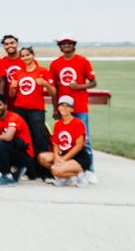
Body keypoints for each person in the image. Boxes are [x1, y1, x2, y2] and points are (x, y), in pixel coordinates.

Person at [49, 34, 98, 183]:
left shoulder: (83, 61)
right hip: (64, 108)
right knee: (64, 139)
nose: (66, 46)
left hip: (80, 106)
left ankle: (90, 170)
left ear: (74, 45)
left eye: (69, 43)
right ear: (60, 46)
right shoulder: (55, 64)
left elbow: (94, 82)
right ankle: (70, 169)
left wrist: (79, 87)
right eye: (63, 43)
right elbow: (54, 89)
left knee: (85, 140)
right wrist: (55, 108)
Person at [9, 46, 55, 179]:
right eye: (22, 56)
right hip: (20, 110)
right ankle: (29, 171)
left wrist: (45, 84)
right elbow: (12, 95)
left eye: (27, 55)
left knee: (40, 139)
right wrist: (12, 88)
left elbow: (53, 92)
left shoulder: (42, 71)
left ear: (33, 55)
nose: (25, 58)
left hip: (36, 110)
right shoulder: (18, 73)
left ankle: (45, 172)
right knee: (23, 141)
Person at [38, 96, 90, 187]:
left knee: (55, 170)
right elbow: (56, 144)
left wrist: (63, 159)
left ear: (72, 109)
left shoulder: (78, 123)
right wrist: (56, 156)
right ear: (58, 107)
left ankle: (81, 174)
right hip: (64, 154)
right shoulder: (58, 124)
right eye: (62, 105)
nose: (64, 108)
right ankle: (66, 178)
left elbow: (79, 146)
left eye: (68, 106)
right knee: (42, 157)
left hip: (79, 157)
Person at [0, 35, 26, 101]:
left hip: (24, 101)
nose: (10, 46)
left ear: (17, 44)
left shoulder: (26, 60)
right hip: (8, 101)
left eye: (12, 43)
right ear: (4, 46)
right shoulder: (1, 62)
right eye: (6, 44)